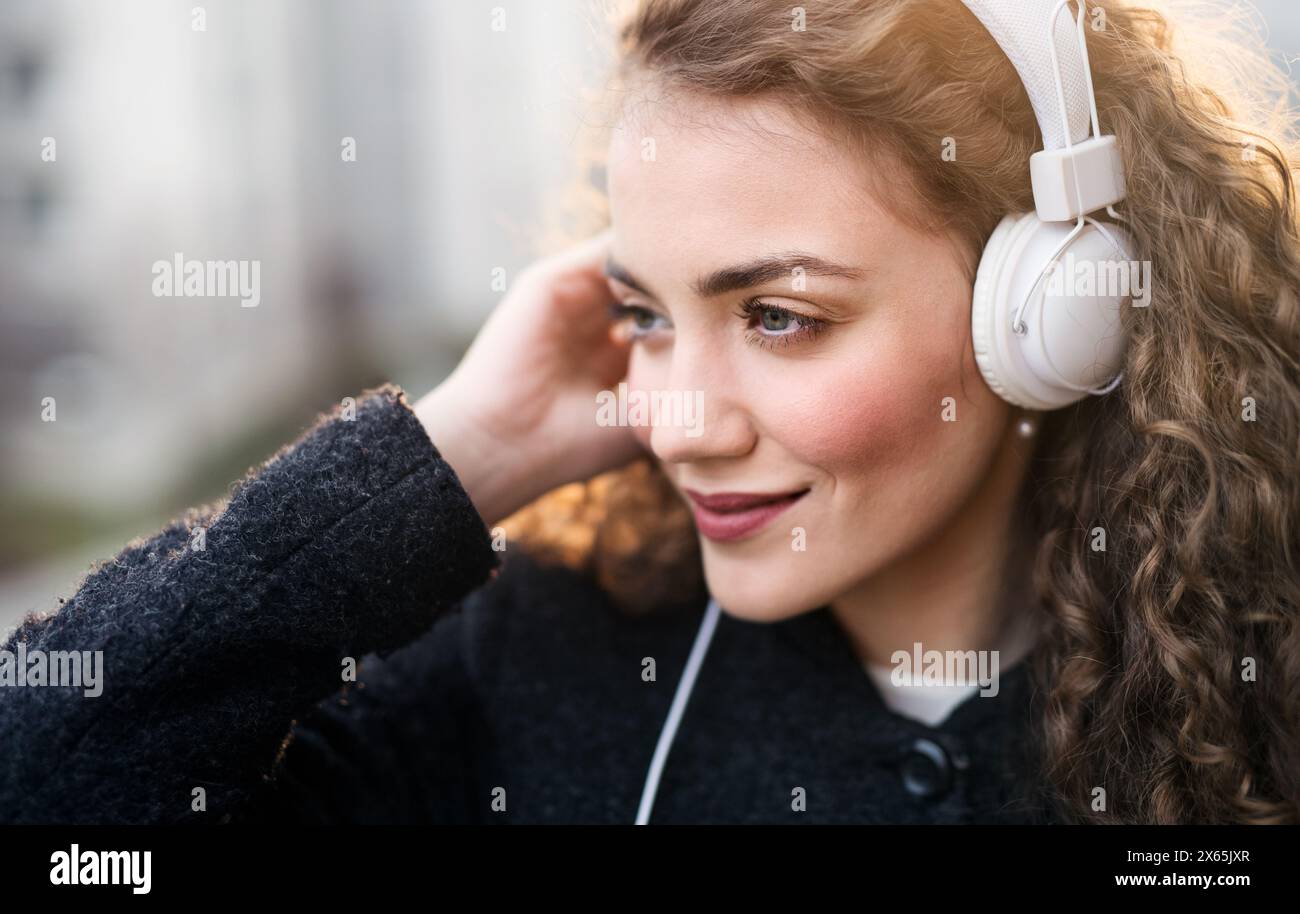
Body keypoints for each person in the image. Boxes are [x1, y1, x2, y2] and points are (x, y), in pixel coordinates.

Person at [1, 0, 1297, 824]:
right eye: (646, 311)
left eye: (778, 315)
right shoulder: (525, 667)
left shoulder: (1262, 684)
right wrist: (457, 454)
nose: (675, 422)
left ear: (1054, 314)